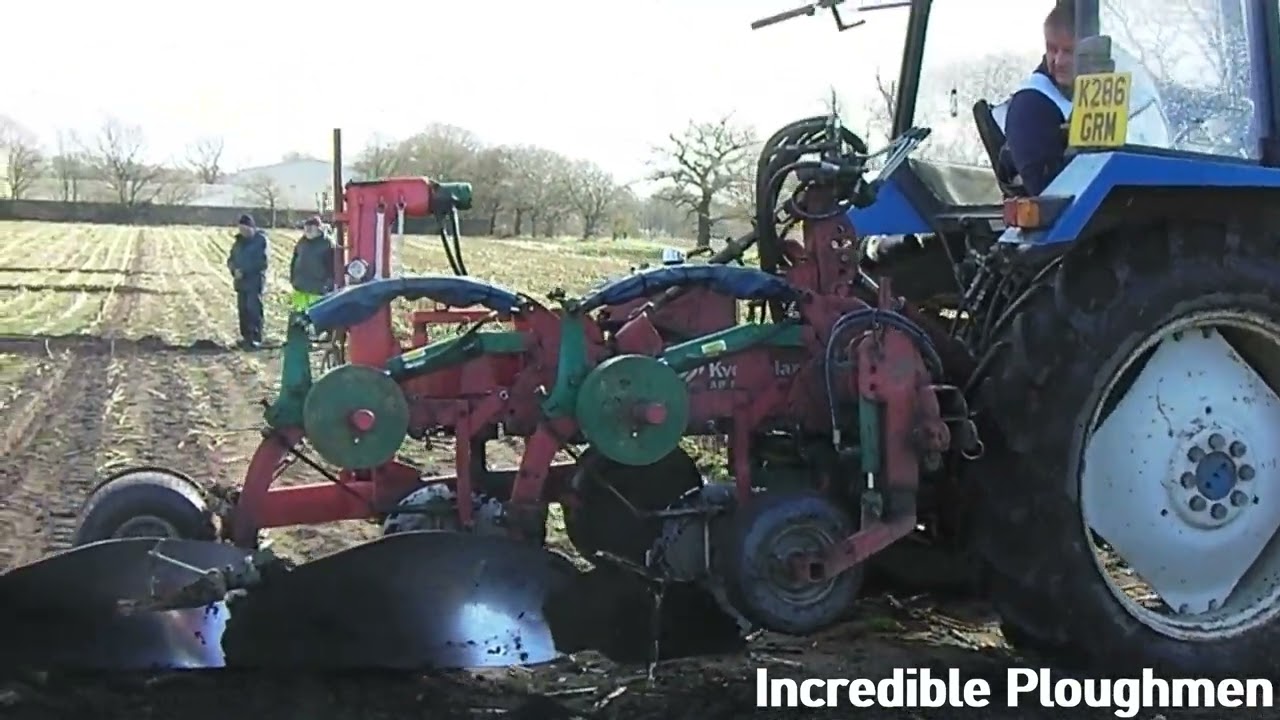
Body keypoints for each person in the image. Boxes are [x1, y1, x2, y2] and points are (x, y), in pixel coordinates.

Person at [998, 0, 1075, 195]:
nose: (1058, 61)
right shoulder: (1031, 106)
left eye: (1070, 51)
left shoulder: (1105, 91)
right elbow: (1048, 195)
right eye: (1052, 49)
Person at [227, 213, 268, 349]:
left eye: (246, 229)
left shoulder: (261, 241)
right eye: (241, 229)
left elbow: (262, 262)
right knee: (243, 310)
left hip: (254, 281)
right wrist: (235, 270)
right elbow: (231, 260)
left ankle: (256, 337)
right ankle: (246, 337)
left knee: (254, 309)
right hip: (241, 283)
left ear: (252, 227)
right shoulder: (238, 243)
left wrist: (245, 271)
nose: (243, 232)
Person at [289, 216, 336, 313]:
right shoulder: (301, 242)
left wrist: (328, 284)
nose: (308, 230)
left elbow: (332, 266)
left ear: (318, 228)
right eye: (306, 228)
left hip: (318, 289)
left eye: (311, 228)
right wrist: (293, 279)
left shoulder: (327, 243)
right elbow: (294, 261)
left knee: (316, 316)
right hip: (300, 286)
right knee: (298, 315)